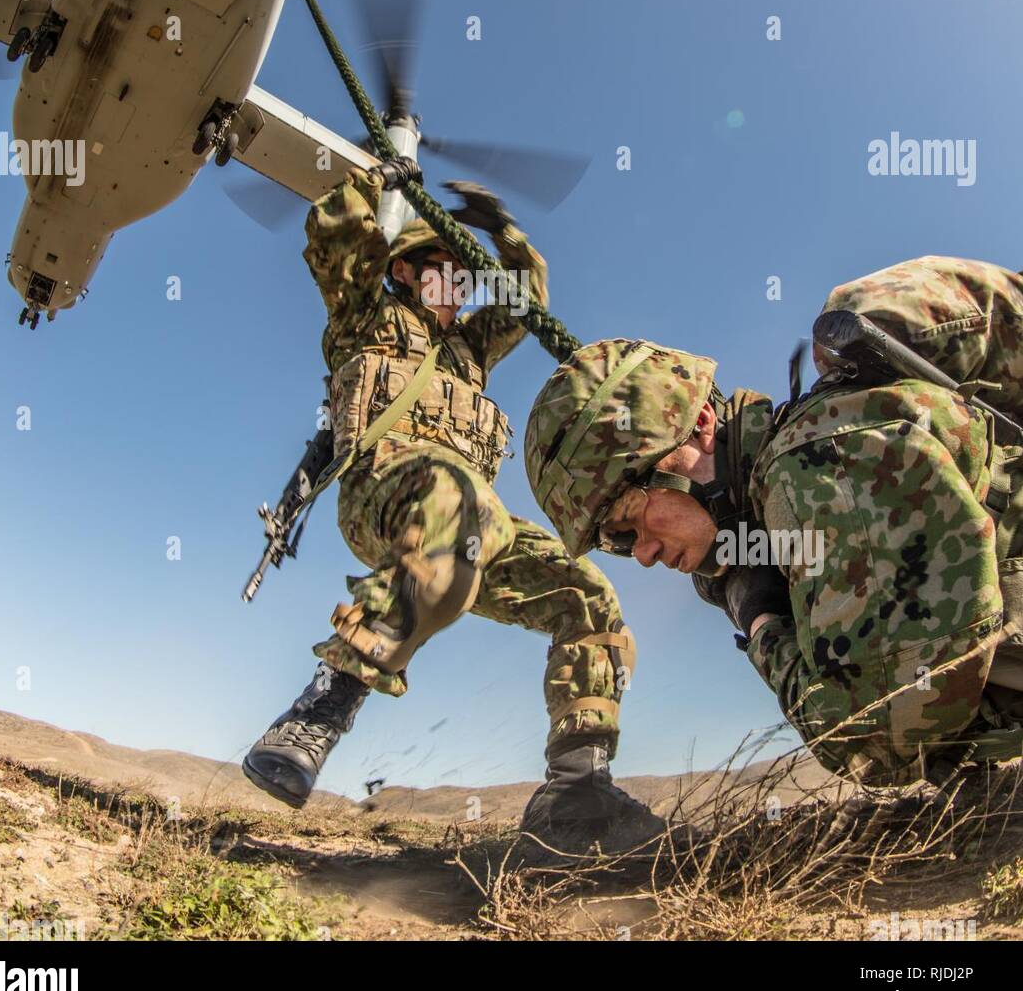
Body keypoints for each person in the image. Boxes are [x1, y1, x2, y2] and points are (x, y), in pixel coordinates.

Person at [243, 164, 658, 848]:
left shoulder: (469, 352)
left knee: (586, 593)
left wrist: (500, 230)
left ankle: (579, 787)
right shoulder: (366, 318)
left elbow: (528, 297)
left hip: (471, 528)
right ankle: (321, 709)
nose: (460, 286)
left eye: (464, 277)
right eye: (444, 269)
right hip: (385, 495)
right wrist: (370, 182)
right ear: (405, 272)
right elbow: (335, 238)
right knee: (460, 500)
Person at [523, 257, 1023, 787]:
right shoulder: (785, 493)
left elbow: (878, 740)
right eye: (616, 544)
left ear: (700, 425)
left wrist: (761, 621)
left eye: (627, 520)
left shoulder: (808, 462)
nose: (642, 554)